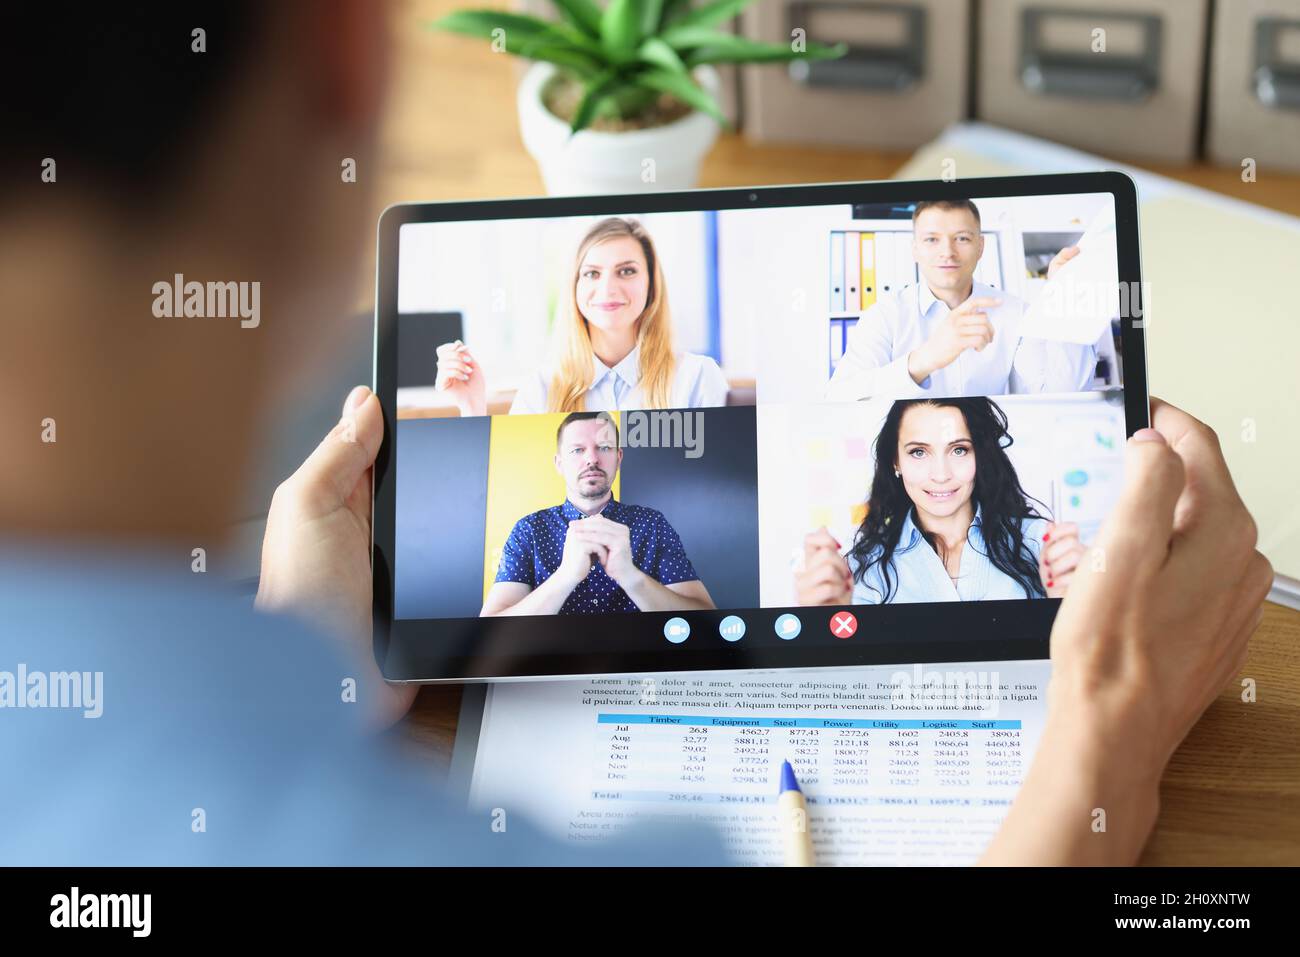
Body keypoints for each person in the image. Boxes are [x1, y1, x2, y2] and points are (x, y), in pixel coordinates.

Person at [1, 3, 1275, 868]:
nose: (592, 458)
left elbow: (704, 599)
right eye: (918, 448)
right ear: (348, 56)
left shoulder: (693, 446)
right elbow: (512, 600)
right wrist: (1113, 734)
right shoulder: (535, 476)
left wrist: (330, 657)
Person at [795, 397, 1084, 605]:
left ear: (980, 455)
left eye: (959, 450)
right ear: (896, 461)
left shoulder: (1039, 545)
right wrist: (826, 622)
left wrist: (1071, 605)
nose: (941, 475)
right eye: (919, 452)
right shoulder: (861, 569)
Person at [434, 217, 729, 415]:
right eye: (592, 274)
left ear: (651, 284)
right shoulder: (540, 388)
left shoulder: (698, 378)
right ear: (574, 287)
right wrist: (472, 406)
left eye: (627, 271)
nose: (608, 288)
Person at [826, 199, 1098, 401]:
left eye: (962, 238)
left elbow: (1059, 396)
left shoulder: (1015, 313)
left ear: (980, 247)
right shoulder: (885, 315)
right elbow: (839, 399)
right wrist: (924, 360)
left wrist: (1062, 298)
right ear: (915, 249)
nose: (948, 252)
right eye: (932, 240)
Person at [482, 413, 714, 616]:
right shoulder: (529, 530)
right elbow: (492, 629)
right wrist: (566, 576)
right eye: (577, 450)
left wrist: (631, 576)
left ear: (618, 458)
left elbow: (705, 617)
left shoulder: (652, 524)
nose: (592, 459)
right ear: (559, 464)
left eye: (604, 447)